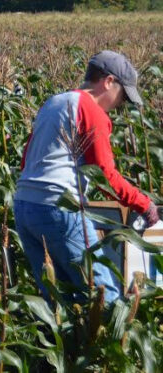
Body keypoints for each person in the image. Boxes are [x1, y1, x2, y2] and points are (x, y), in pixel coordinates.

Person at [13, 50, 159, 303]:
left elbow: (27, 159)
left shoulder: (54, 102)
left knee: (59, 301)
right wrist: (144, 204)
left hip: (24, 207)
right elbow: (104, 176)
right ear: (108, 81)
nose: (120, 103)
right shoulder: (91, 110)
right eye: (122, 95)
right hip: (57, 208)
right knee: (104, 296)